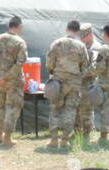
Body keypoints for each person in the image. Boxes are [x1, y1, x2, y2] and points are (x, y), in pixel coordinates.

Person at [45, 19, 87, 150]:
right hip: (74, 83)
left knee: (55, 109)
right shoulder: (81, 46)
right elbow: (84, 65)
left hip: (58, 82)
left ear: (66, 29)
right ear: (78, 31)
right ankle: (64, 139)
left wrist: (52, 72)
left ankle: (53, 140)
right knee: (70, 110)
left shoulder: (57, 43)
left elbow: (49, 63)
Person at [0, 15, 26, 147]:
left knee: (0, 106)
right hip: (14, 81)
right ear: (19, 27)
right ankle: (7, 137)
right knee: (13, 107)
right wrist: (6, 77)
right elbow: (20, 63)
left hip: (0, 80)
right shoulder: (20, 42)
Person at [75, 23, 101, 141]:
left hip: (89, 83)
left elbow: (94, 68)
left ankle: (86, 134)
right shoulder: (84, 46)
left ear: (90, 35)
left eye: (83, 36)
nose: (81, 39)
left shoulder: (95, 48)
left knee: (86, 109)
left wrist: (80, 74)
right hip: (81, 82)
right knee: (77, 107)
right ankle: (77, 132)